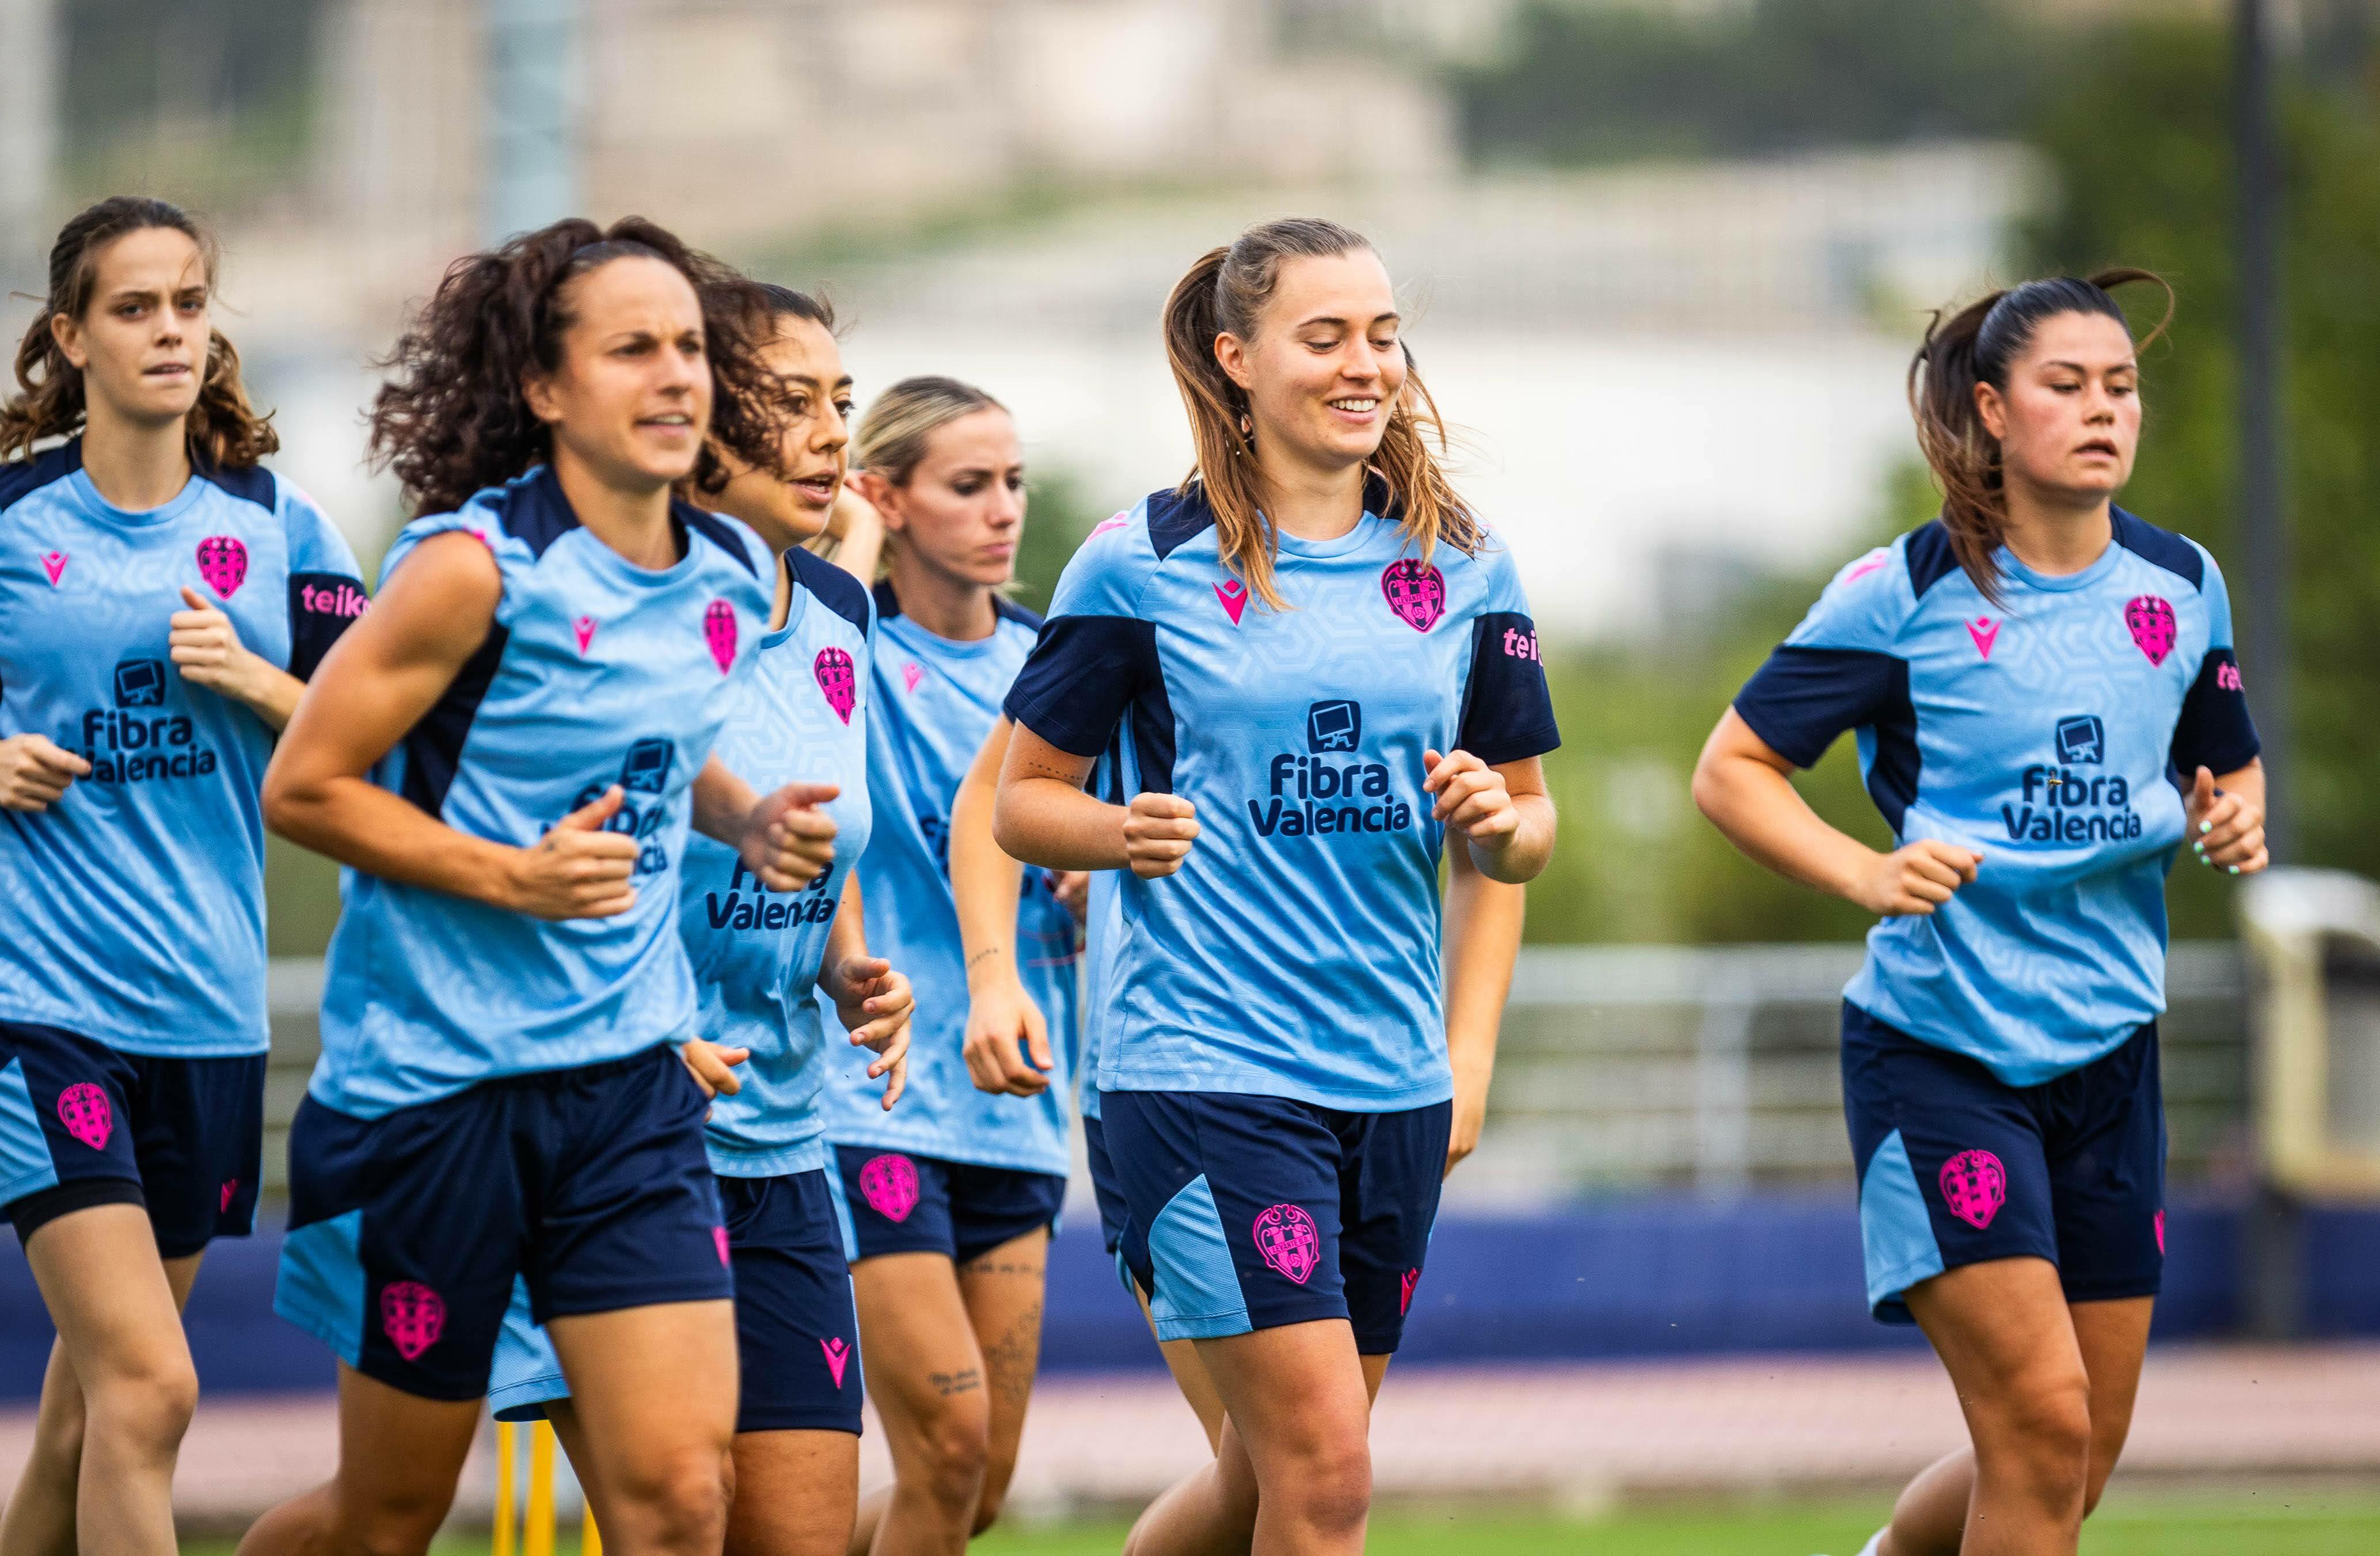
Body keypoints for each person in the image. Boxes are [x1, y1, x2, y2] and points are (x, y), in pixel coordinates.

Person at [238, 217, 839, 1556]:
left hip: (630, 1089)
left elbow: (660, 742)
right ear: (544, 386)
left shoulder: (727, 573)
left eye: (689, 347)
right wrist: (514, 877)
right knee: (388, 1516)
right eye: (633, 349)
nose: (675, 374)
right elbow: (305, 787)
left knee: (681, 1498)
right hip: (434, 1094)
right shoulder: (471, 570)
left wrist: (744, 817)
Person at [993, 217, 1560, 1556]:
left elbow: (1526, 828)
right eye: (1327, 337)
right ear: (1237, 358)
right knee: (1327, 1474)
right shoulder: (1137, 561)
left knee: (1266, 1478)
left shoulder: (1465, 562)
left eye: (1383, 336)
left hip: (1391, 1081)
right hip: (1200, 1067)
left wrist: (1498, 833)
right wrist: (1115, 830)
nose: (1366, 364)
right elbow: (1023, 800)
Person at [1690, 273, 2265, 1556]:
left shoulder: (2183, 584)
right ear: (1994, 410)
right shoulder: (1901, 591)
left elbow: (2227, 762)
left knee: (2077, 1455)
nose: (2104, 409)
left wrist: (2233, 813)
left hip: (2113, 1058)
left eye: (2121, 385)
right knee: (2041, 1428)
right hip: (1940, 1052)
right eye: (2068, 385)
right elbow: (1731, 770)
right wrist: (1864, 873)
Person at [481, 283, 915, 1556]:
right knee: (673, 1522)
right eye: (791, 401)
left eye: (841, 400)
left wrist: (846, 967)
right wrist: (642, 1027)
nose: (830, 432)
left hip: (783, 1141)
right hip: (607, 1129)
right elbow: (516, 861)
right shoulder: (600, 608)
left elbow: (815, 832)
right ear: (695, 416)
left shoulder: (839, 614)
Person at [0, 195, 366, 1556]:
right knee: (152, 1387)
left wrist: (259, 681)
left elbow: (383, 747)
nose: (170, 331)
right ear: (70, 336)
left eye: (190, 305)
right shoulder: (12, 520)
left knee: (88, 1418)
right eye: (135, 307)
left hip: (208, 1017)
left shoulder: (284, 529)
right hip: (41, 1011)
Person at [820, 377, 1082, 1556]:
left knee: (976, 1487)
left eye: (1013, 481)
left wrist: (1100, 869)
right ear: (885, 498)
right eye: (968, 484)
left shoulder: (1054, 666)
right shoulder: (844, 649)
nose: (1003, 509)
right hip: (875, 1097)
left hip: (1016, 1100)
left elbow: (1128, 829)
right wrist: (848, 530)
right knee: (945, 1445)